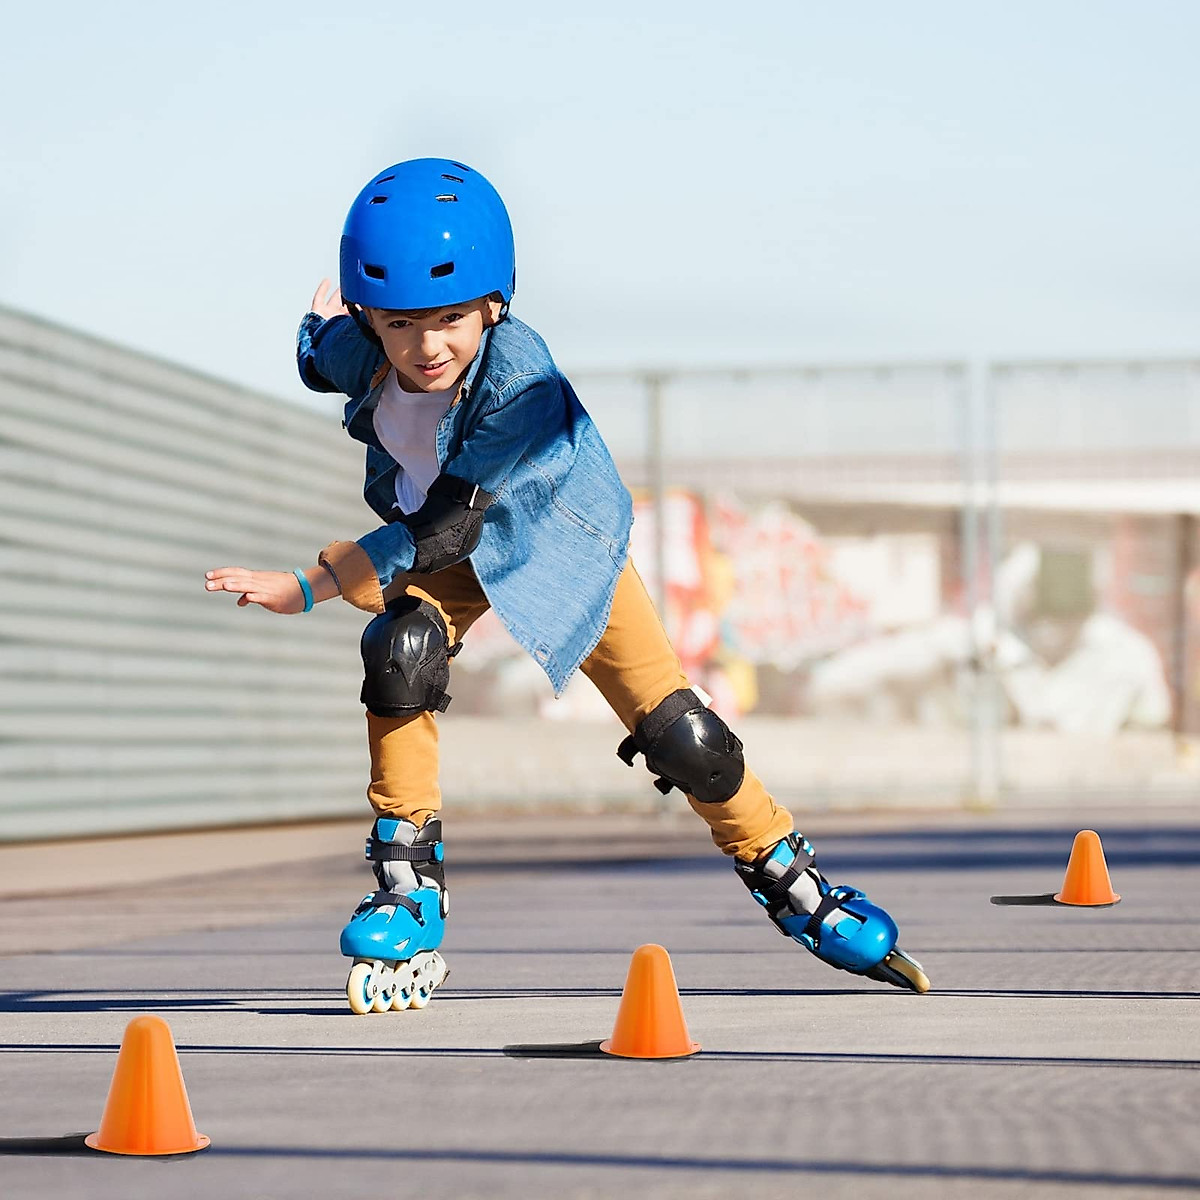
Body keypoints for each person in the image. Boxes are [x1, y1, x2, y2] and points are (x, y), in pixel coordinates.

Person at [204, 157, 929, 1013]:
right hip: (448, 551)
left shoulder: (524, 380)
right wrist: (313, 328)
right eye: (400, 325)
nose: (425, 349)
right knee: (401, 649)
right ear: (369, 317)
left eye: (450, 320)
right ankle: (407, 886)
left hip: (556, 545)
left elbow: (445, 522)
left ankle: (791, 877)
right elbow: (319, 357)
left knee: (680, 733)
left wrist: (311, 583)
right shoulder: (362, 349)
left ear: (494, 305)